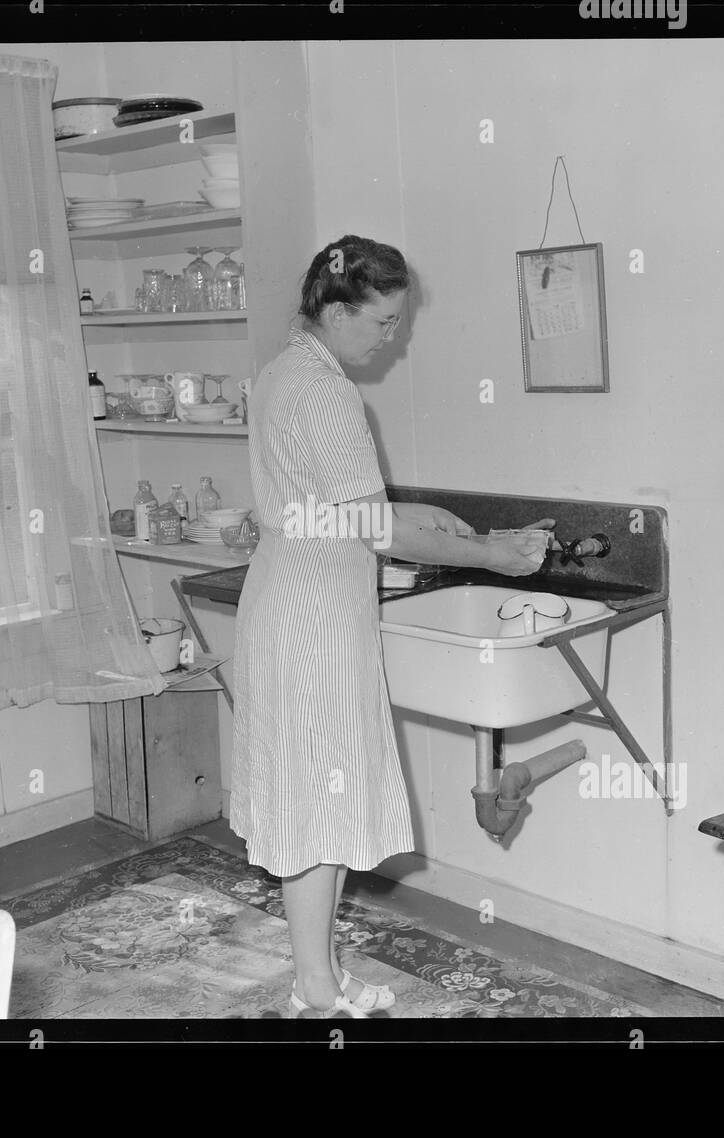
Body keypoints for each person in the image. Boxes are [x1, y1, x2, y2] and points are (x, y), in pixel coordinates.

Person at [230, 235, 550, 1018]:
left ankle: (320, 978)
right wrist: (493, 559)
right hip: (314, 617)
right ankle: (315, 988)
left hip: (294, 596)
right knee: (317, 803)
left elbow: (341, 503)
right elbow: (378, 531)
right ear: (337, 311)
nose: (392, 335)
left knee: (322, 798)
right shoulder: (329, 393)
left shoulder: (285, 373)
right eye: (382, 320)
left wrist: (423, 515)